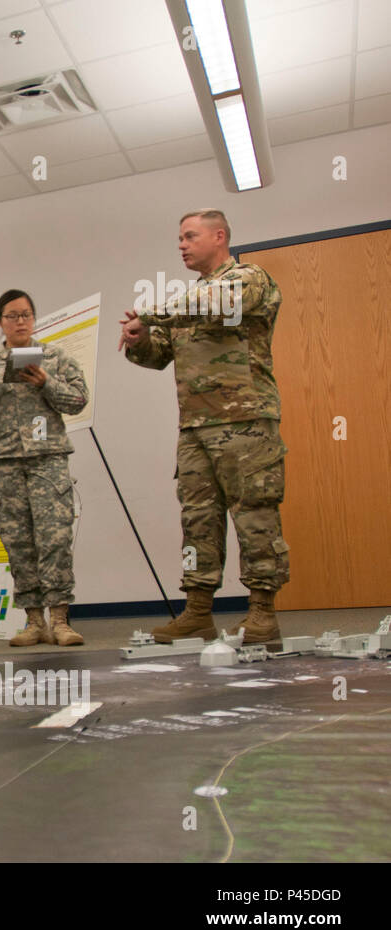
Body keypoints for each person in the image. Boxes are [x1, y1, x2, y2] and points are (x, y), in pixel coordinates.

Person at [120, 208, 287, 644]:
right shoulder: (182, 303)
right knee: (197, 522)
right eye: (179, 237)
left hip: (246, 424)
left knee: (255, 516)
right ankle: (197, 611)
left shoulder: (249, 279)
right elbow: (158, 357)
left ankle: (263, 613)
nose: (181, 244)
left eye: (189, 236)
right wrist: (139, 341)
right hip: (194, 430)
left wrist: (152, 312)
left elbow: (217, 303)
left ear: (219, 236)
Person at [0, 290, 89, 646]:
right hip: (4, 463)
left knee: (55, 538)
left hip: (48, 458)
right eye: (12, 316)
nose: (20, 322)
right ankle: (34, 621)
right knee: (18, 543)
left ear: (34, 319)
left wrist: (46, 382)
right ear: (0, 321)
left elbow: (78, 400)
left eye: (26, 315)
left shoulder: (56, 358)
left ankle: (60, 620)